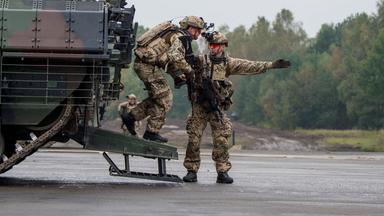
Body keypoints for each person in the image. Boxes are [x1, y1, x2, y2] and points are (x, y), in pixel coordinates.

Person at [182, 32, 291, 184]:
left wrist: (271, 65)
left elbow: (249, 66)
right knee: (194, 138)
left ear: (222, 47)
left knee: (221, 140)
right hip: (199, 106)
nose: (212, 48)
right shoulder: (201, 60)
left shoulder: (227, 63)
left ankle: (222, 171)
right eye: (210, 45)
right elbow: (183, 62)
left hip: (216, 107)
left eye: (215, 46)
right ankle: (191, 170)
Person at [122, 16, 205, 143]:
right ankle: (151, 132)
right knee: (165, 98)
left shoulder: (175, 33)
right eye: (197, 30)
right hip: (147, 67)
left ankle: (131, 117)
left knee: (158, 98)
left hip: (145, 65)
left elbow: (165, 59)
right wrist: (190, 72)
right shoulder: (180, 37)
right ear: (190, 28)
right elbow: (175, 56)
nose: (199, 34)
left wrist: (178, 75)